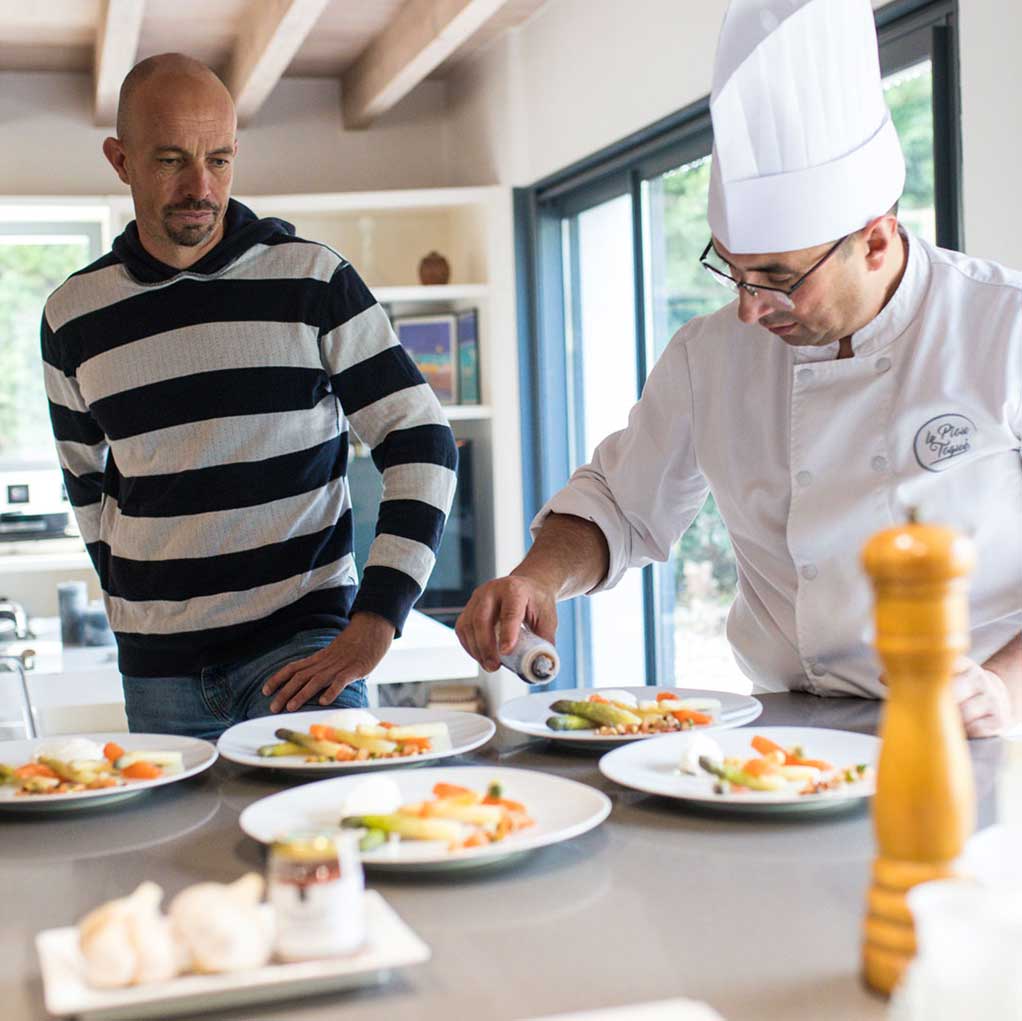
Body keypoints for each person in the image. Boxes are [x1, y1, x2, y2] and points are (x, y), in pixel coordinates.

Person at [456, 0, 1021, 738]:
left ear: (877, 240)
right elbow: (620, 504)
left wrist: (1003, 687)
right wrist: (537, 576)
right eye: (733, 272)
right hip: (786, 732)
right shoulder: (710, 352)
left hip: (977, 732)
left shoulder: (1002, 327)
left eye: (780, 278)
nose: (751, 309)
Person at [42, 54, 457, 740]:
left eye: (220, 160)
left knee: (329, 811)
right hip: (158, 672)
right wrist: (138, 610)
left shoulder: (314, 281)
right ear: (120, 160)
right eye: (171, 161)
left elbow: (422, 440)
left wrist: (379, 617)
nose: (200, 187)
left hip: (303, 650)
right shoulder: (72, 315)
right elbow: (88, 488)